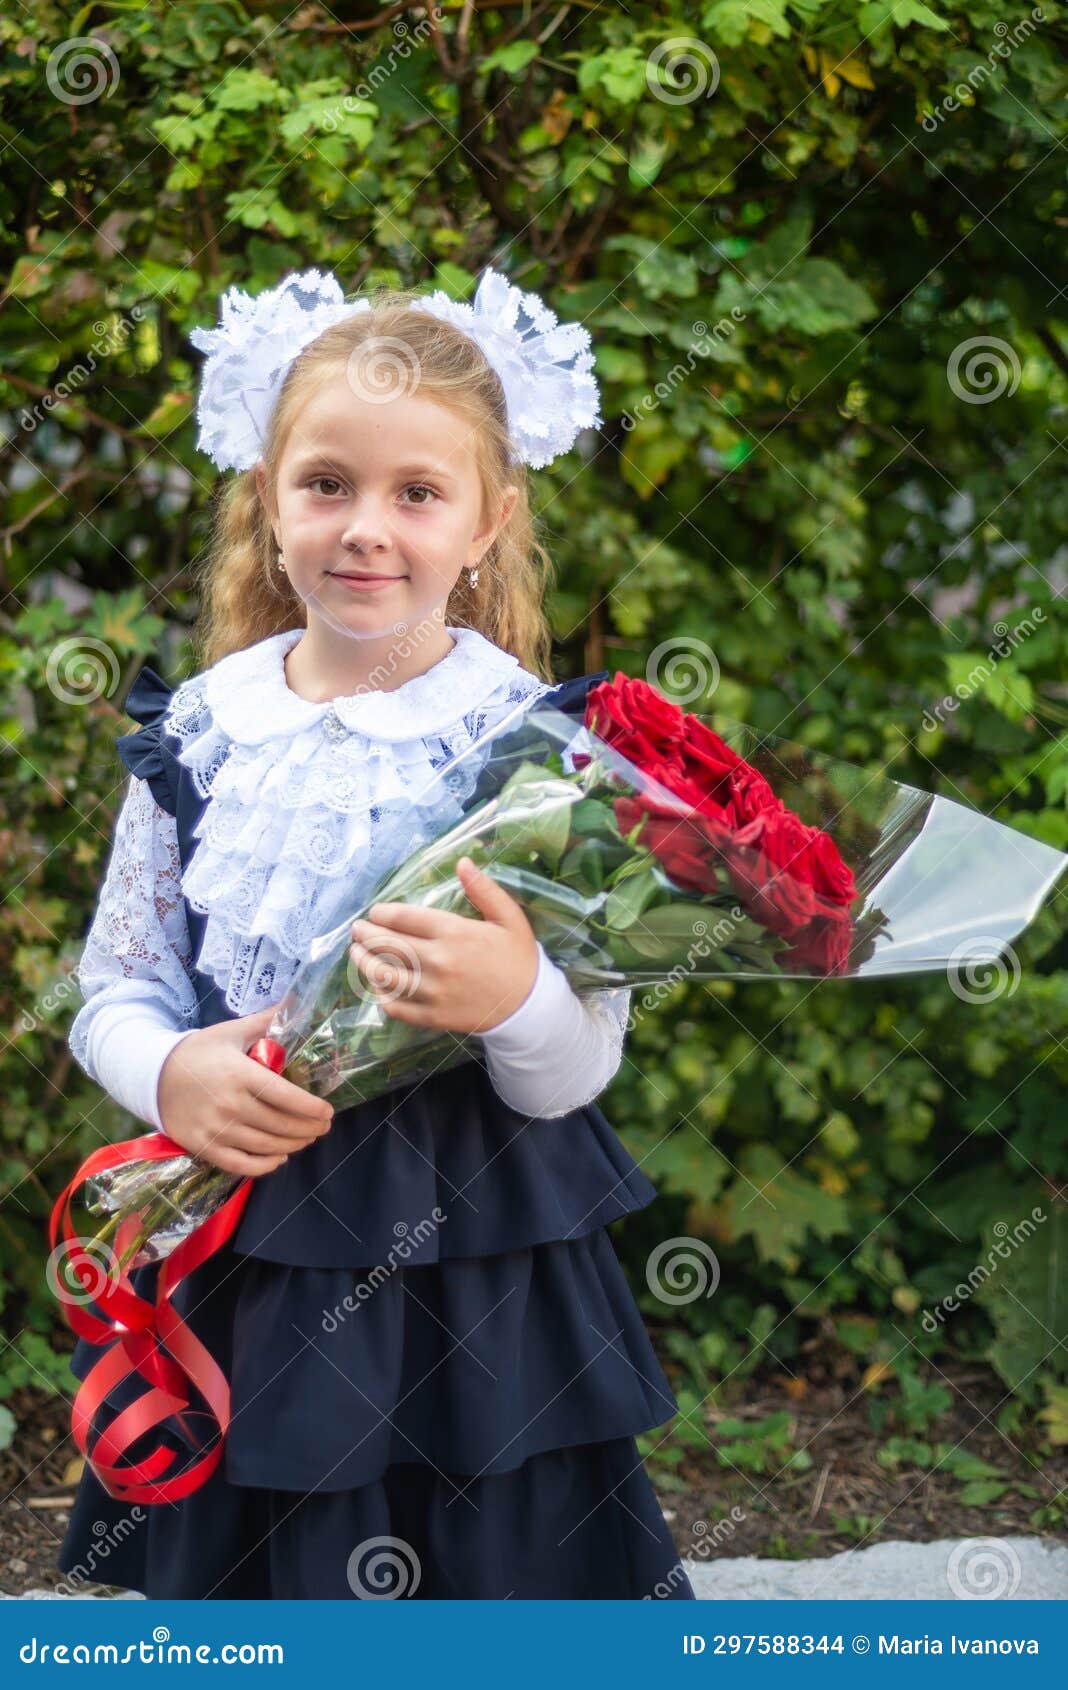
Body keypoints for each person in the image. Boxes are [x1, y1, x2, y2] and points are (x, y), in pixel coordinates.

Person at [55, 267, 696, 1601]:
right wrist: (173, 1075)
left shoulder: (543, 751)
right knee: (266, 1562)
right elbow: (117, 982)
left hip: (482, 1262)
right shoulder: (200, 731)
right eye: (327, 483)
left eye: (418, 493)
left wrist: (517, 991)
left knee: (495, 1560)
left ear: (489, 519)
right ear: (268, 498)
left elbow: (577, 1067)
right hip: (253, 1239)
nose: (366, 529)